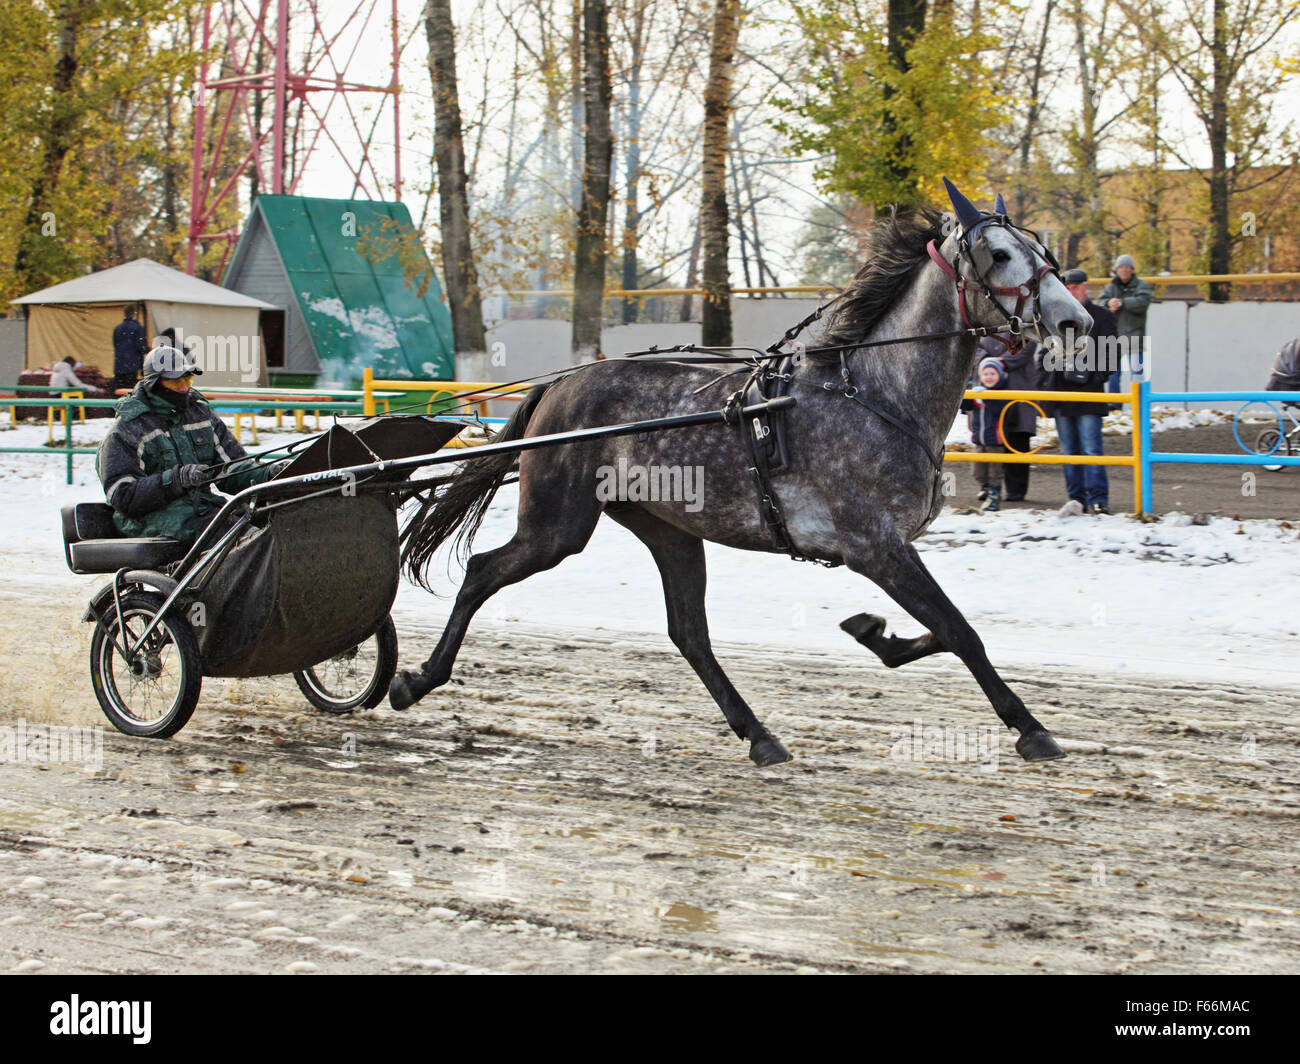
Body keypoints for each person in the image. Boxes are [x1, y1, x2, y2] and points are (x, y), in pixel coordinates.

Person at [97, 345, 277, 546]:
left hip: (200, 510)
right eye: (176, 382)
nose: (184, 388)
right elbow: (123, 496)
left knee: (271, 518)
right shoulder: (128, 429)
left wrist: (269, 474)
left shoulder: (200, 415)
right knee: (241, 537)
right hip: (147, 520)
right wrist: (175, 480)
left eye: (187, 379)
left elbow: (232, 468)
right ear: (153, 383)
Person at [1037, 268, 1117, 515]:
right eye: (1068, 287)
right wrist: (1049, 377)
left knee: (1092, 448)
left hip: (1089, 395)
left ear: (1086, 288)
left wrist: (1094, 377)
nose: (1072, 291)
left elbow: (1111, 354)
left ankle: (1099, 499)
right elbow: (1044, 351)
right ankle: (1077, 498)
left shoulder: (1101, 317)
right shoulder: (1055, 316)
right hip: (1062, 394)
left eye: (1076, 287)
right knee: (1069, 449)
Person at [981, 334, 1038, 501]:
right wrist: (987, 364)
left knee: (1017, 439)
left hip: (1017, 387)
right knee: (988, 441)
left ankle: (1016, 489)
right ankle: (989, 486)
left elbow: (1027, 346)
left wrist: (1000, 363)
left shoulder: (1023, 321)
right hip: (987, 384)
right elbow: (976, 347)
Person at [960, 355, 1011, 512]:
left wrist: (986, 398)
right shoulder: (978, 392)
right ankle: (985, 487)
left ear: (999, 376)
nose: (989, 377)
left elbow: (999, 409)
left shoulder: (1001, 393)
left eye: (992, 374)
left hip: (994, 440)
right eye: (986, 374)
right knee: (977, 470)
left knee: (995, 470)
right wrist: (968, 392)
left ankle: (994, 495)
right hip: (979, 439)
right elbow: (965, 406)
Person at [1098, 254, 1152, 394]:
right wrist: (1108, 303)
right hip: (1114, 336)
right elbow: (1100, 303)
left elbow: (1142, 302)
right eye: (1121, 267)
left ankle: (1139, 401)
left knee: (1136, 373)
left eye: (1128, 267)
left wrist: (1122, 303)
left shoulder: (1142, 286)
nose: (1124, 270)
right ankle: (1114, 403)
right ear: (1117, 270)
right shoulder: (1110, 287)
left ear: (1133, 270)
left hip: (1134, 335)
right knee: (1113, 373)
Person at [111, 306, 149, 393]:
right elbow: (141, 346)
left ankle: (117, 406)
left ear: (124, 313)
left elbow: (115, 345)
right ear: (134, 313)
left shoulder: (117, 328)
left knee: (119, 391)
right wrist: (150, 350)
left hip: (119, 365)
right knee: (130, 391)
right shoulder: (138, 328)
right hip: (132, 365)